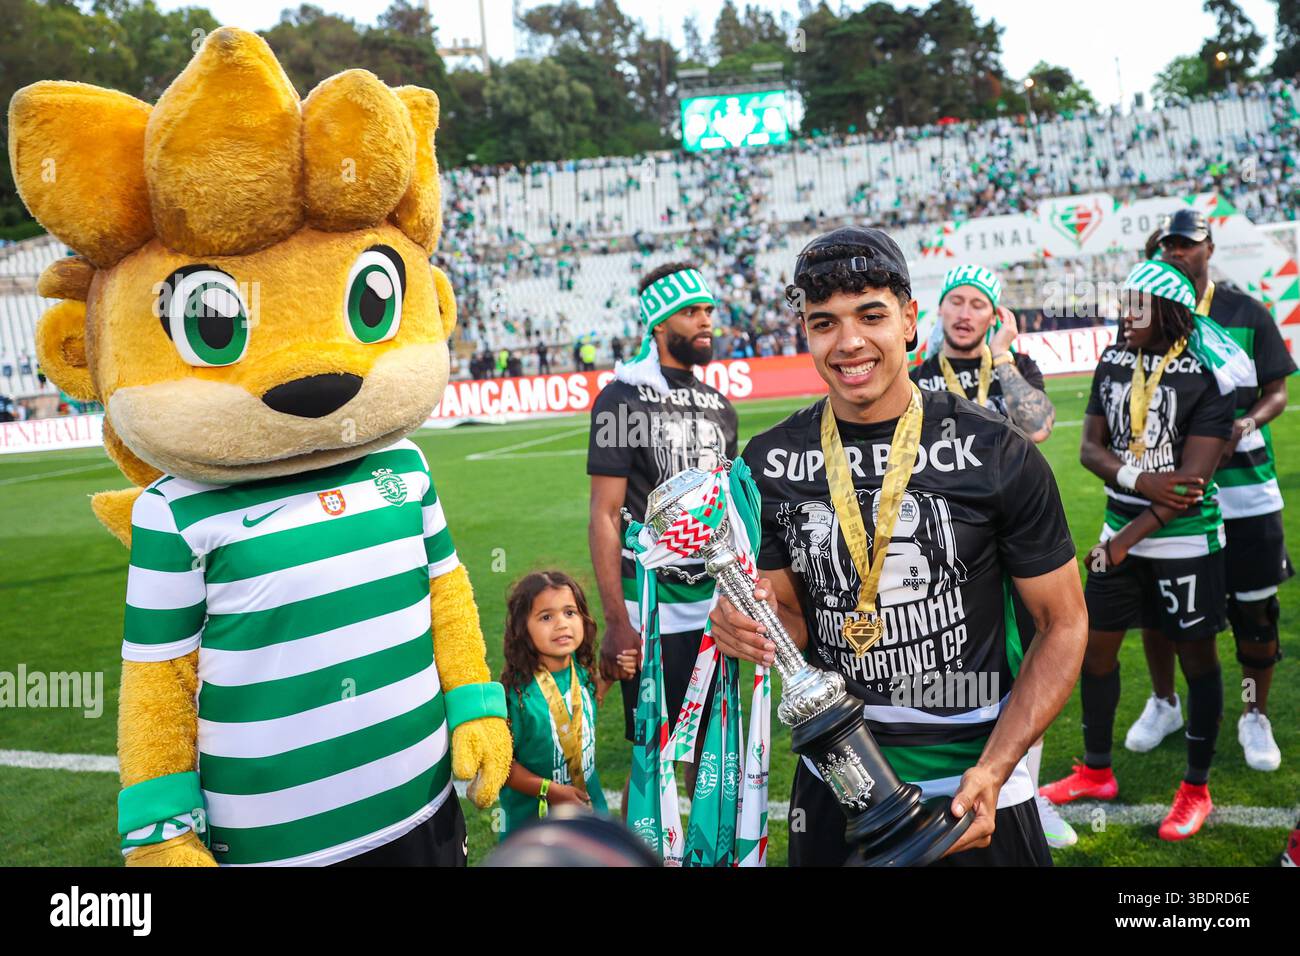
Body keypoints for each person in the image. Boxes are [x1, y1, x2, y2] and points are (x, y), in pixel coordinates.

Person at [712, 226, 1086, 866]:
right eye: (823, 322)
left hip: (980, 781)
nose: (849, 342)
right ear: (804, 332)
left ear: (910, 321)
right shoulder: (770, 460)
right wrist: (747, 620)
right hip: (843, 778)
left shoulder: (996, 450)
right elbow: (792, 627)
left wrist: (996, 769)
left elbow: (1064, 622)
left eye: (872, 315)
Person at [1040, 258, 1234, 842]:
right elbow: (1089, 450)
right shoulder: (1112, 360)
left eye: (1136, 305)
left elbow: (1190, 488)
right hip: (1119, 531)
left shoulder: (1209, 374)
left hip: (1185, 544)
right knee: (1094, 653)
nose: (1124, 314)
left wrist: (1121, 541)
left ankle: (1195, 788)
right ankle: (1097, 770)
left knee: (1197, 661)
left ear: (1169, 313)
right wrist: (1140, 482)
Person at [1127, 209, 1295, 772]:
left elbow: (1276, 392)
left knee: (1255, 614)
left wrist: (1243, 425)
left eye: (1187, 243)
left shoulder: (1244, 310)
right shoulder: (1143, 318)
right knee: (1162, 614)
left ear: (1209, 247)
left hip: (1245, 491)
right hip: (1171, 497)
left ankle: (1253, 713)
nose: (1176, 251)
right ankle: (1165, 702)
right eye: (1167, 244)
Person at [911, 263, 1068, 847]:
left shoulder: (1016, 369)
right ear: (940, 310)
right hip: (941, 549)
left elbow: (1039, 426)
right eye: (956, 301)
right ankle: (946, 784)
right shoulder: (919, 374)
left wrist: (1002, 359)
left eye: (978, 303)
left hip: (1019, 544)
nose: (965, 313)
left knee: (1031, 659)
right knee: (951, 668)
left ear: (995, 316)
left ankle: (1025, 787)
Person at [586, 261, 738, 799]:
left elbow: (729, 511)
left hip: (713, 604)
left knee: (711, 750)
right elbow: (604, 514)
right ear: (658, 324)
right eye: (691, 313)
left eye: (708, 312)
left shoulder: (721, 407)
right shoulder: (622, 398)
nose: (705, 322)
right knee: (653, 756)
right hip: (650, 604)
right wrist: (616, 620)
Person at [498, 571, 633, 838]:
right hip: (534, 830)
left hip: (590, 816)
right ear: (521, 628)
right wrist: (552, 791)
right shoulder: (516, 695)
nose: (561, 624)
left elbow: (584, 705)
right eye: (546, 617)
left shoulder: (580, 673)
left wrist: (614, 673)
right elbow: (503, 766)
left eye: (570, 613)